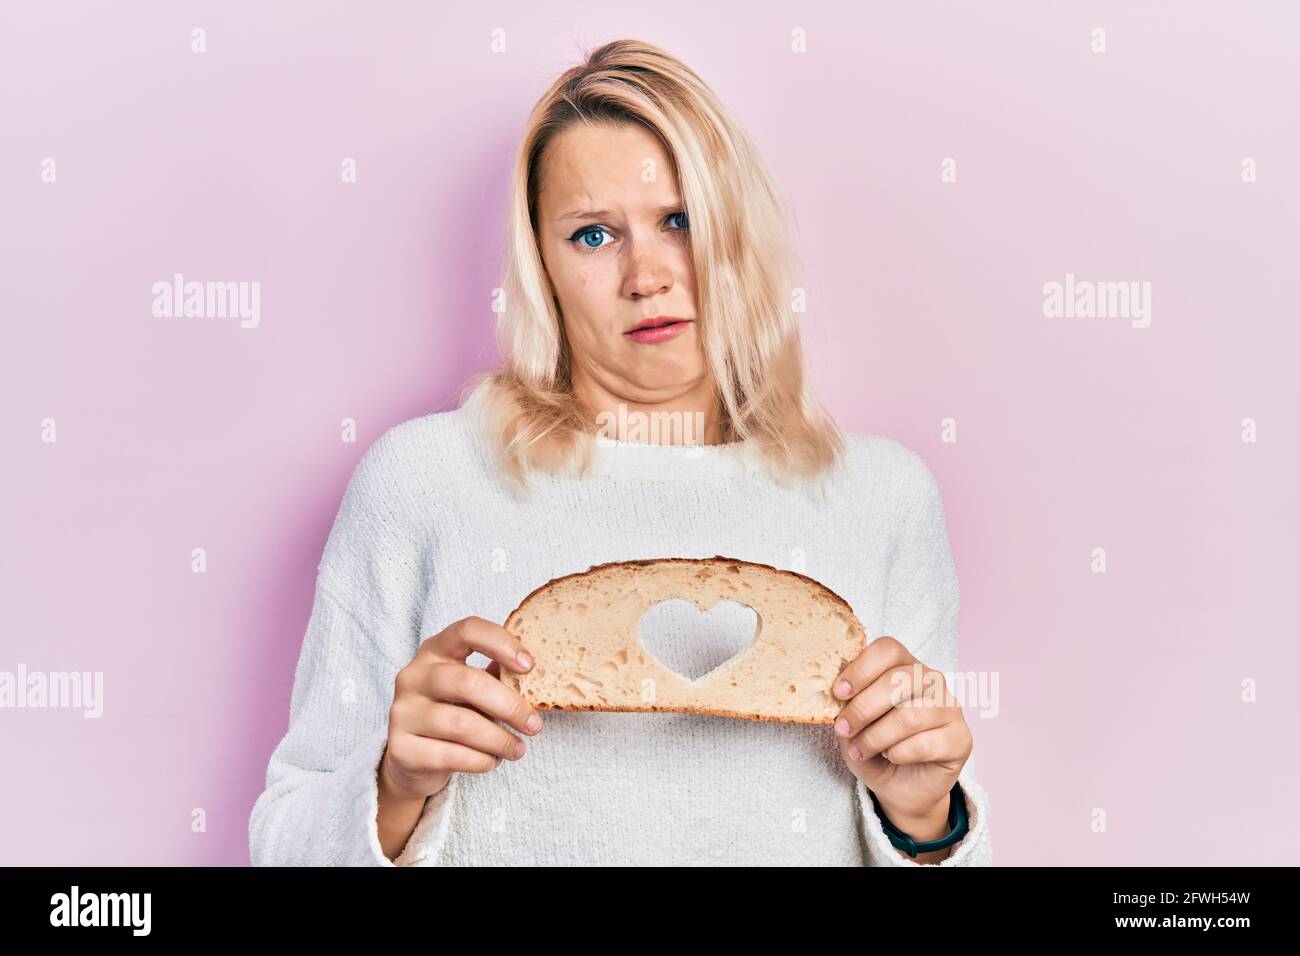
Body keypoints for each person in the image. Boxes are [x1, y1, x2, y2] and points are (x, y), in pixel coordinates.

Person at [249, 38, 992, 866]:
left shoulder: (880, 497)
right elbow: (285, 840)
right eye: (593, 236)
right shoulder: (425, 480)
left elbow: (934, 839)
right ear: (544, 265)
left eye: (679, 220)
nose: (647, 276)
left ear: (737, 232)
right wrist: (391, 785)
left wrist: (926, 817)